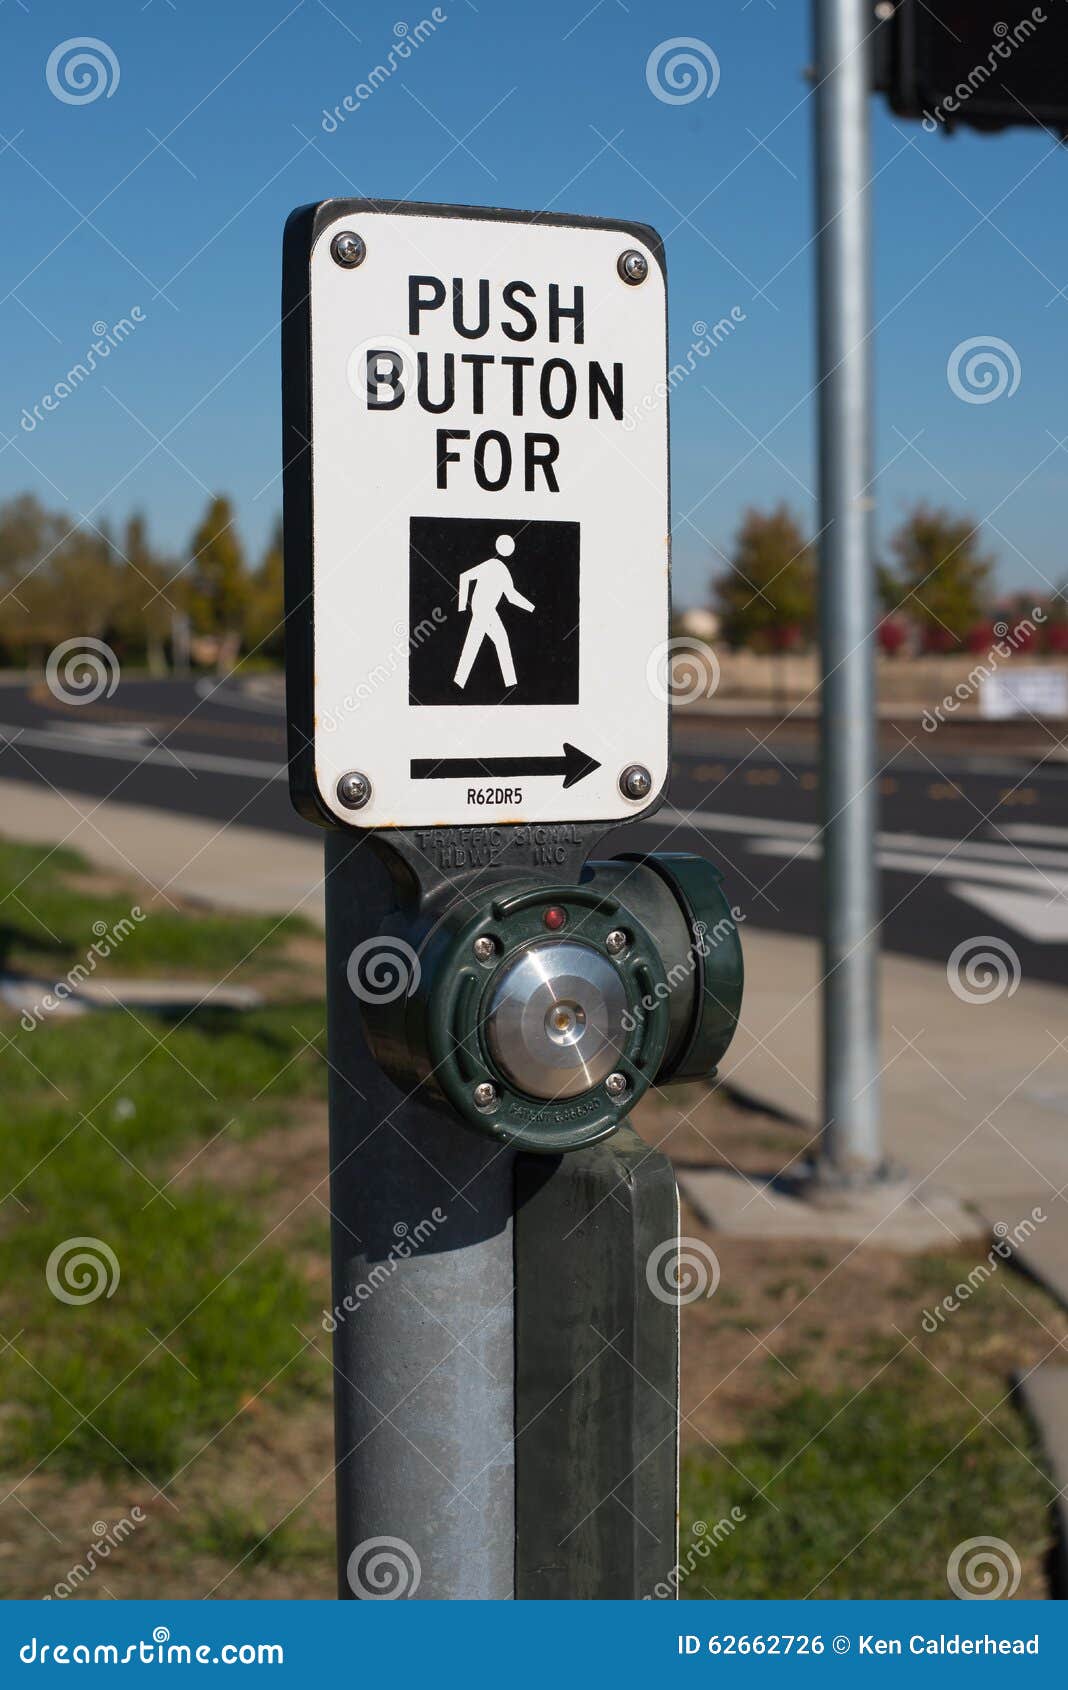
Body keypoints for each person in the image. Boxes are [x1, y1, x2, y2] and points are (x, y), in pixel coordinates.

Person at [452, 534, 534, 690]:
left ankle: (459, 682)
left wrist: (531, 608)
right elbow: (465, 577)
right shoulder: (494, 565)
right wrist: (461, 607)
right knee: (494, 642)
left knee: (477, 643)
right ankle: (510, 684)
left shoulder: (499, 568)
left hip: (484, 610)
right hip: (484, 610)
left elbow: (511, 596)